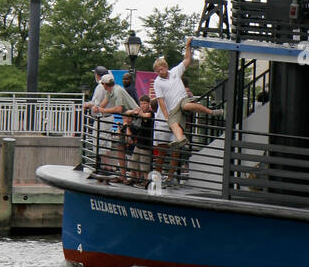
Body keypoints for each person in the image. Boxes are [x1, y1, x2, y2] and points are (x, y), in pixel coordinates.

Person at [152, 39, 222, 184]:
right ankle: (157, 178)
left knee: (175, 150)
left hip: (178, 111)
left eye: (161, 69)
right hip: (166, 118)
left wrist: (188, 46)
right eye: (157, 71)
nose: (160, 72)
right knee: (162, 151)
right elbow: (161, 101)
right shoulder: (158, 82)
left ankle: (170, 177)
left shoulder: (175, 72)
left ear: (166, 67)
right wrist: (167, 117)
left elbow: (187, 59)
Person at [93, 73, 140, 182]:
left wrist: (103, 110)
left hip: (134, 120)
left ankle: (135, 177)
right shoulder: (110, 91)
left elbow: (119, 109)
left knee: (132, 148)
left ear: (105, 84)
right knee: (120, 146)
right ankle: (123, 176)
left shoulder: (117, 91)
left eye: (103, 84)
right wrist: (97, 108)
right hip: (127, 120)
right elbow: (103, 103)